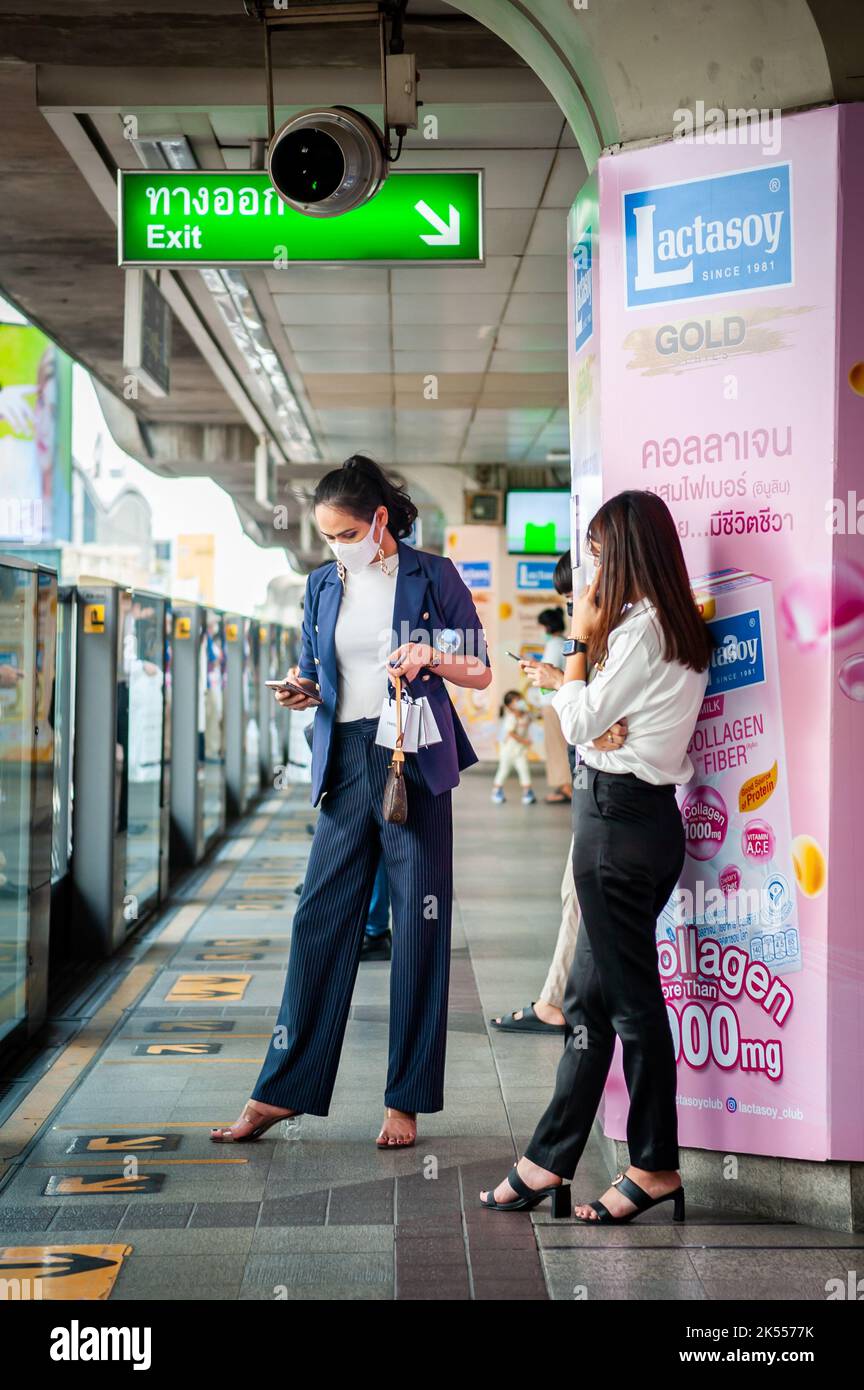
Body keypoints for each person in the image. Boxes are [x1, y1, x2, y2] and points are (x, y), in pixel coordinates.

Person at [211, 455, 491, 1150]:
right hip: (344, 761)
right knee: (319, 918)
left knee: (419, 931)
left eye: (344, 532)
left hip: (411, 766)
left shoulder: (435, 577)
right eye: (327, 535)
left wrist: (431, 655)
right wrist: (303, 690)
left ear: (380, 521)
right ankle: (283, 1090)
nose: (335, 546)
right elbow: (318, 670)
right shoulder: (320, 586)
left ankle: (406, 1099)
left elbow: (481, 669)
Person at [481, 490, 713, 1223]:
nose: (592, 568)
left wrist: (577, 645)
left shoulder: (638, 632)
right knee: (587, 1005)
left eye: (599, 552)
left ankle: (653, 1167)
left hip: (615, 828)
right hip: (641, 825)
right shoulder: (668, 626)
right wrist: (584, 702)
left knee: (634, 1010)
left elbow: (583, 720)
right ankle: (548, 1163)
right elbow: (596, 719)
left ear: (627, 554)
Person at [491, 551, 626, 1036]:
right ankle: (562, 1001)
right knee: (577, 892)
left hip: (620, 794)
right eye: (569, 602)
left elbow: (597, 724)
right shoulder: (611, 635)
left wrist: (565, 687)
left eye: (576, 597)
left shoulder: (625, 638)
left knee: (580, 891)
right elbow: (590, 722)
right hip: (605, 787)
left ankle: (563, 1004)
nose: (576, 608)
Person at [536, 605, 571, 803]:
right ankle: (567, 785)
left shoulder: (554, 645)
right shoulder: (564, 643)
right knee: (562, 744)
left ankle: (566, 787)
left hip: (552, 703)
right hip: (560, 700)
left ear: (547, 627)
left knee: (556, 745)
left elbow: (546, 672)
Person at [491, 690, 536, 806]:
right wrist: (525, 741)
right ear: (510, 705)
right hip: (508, 750)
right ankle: (496, 791)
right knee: (503, 770)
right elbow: (511, 733)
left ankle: (528, 792)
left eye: (521, 699)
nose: (521, 702)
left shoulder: (525, 715)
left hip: (520, 751)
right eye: (518, 700)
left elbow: (532, 719)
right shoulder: (510, 717)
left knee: (524, 769)